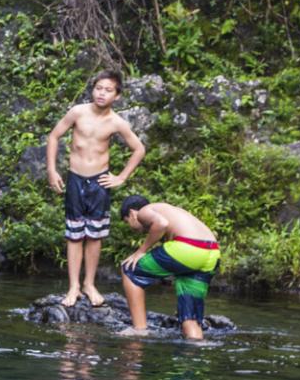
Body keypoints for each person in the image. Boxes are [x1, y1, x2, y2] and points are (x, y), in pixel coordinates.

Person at [46, 73, 147, 307]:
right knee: (74, 234)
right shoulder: (78, 112)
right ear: (93, 90)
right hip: (75, 178)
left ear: (117, 95)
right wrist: (52, 170)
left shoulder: (116, 122)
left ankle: (89, 284)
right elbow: (54, 136)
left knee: (94, 235)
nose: (101, 93)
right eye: (98, 88)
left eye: (108, 90)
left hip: (100, 181)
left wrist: (121, 177)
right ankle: (73, 287)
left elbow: (139, 149)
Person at [117, 195, 222, 340]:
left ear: (132, 213)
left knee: (129, 270)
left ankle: (139, 329)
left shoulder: (144, 211)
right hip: (212, 253)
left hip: (189, 247)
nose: (130, 228)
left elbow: (161, 223)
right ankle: (197, 346)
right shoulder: (169, 210)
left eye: (127, 221)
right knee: (189, 319)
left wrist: (141, 251)